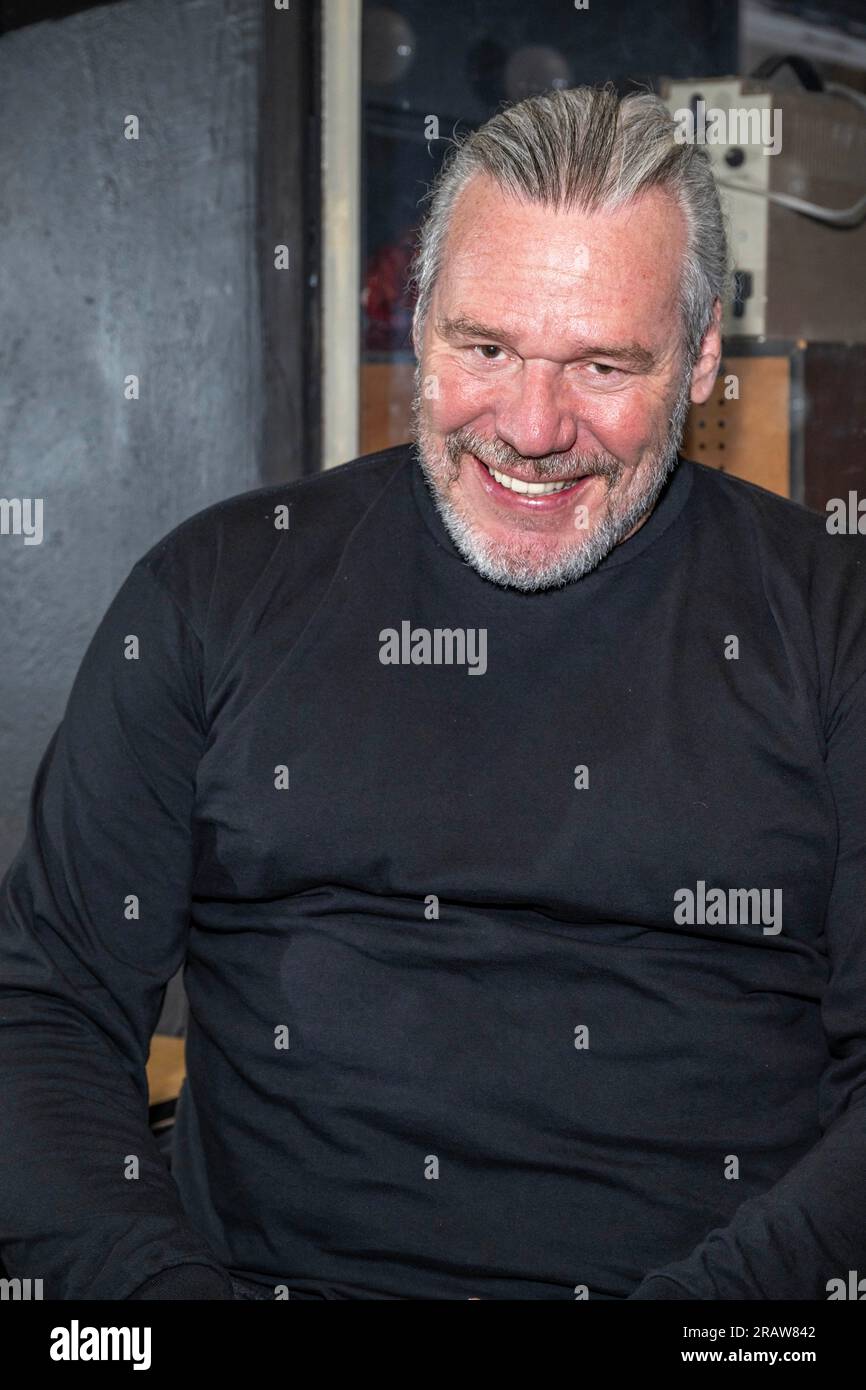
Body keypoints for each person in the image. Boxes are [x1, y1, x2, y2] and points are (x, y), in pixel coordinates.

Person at [1, 83, 864, 1301]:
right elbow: (46, 1007)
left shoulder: (830, 623)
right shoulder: (216, 589)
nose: (529, 424)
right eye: (483, 347)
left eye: (600, 364)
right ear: (418, 324)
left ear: (703, 358)